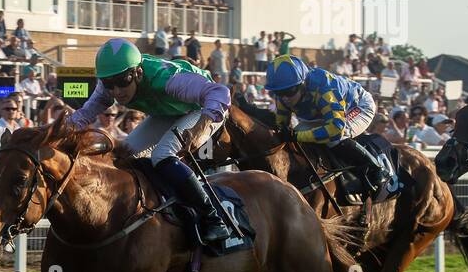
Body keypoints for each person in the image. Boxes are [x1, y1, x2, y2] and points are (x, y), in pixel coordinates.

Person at [69, 37, 233, 244]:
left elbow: (220, 91)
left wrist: (200, 127)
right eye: (109, 84)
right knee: (124, 155)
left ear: (137, 72)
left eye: (123, 81)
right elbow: (81, 117)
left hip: (202, 108)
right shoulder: (107, 85)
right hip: (166, 112)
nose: (117, 91)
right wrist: (46, 135)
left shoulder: (167, 79)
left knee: (162, 155)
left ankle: (213, 218)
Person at [263, 54, 387, 198]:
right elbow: (281, 126)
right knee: (299, 134)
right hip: (323, 114)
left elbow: (336, 129)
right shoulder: (283, 96)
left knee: (332, 138)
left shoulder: (324, 89)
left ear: (302, 84)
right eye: (278, 93)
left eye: (289, 92)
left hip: (357, 107)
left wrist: (297, 136)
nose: (284, 98)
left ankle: (376, 168)